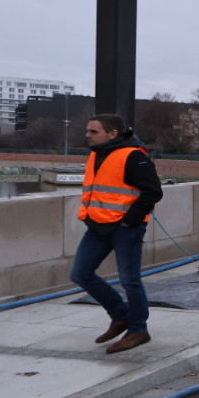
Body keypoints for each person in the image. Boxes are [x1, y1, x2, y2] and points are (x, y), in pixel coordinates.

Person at [70, 114, 163, 354]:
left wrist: (129, 221)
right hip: (97, 226)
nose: (87, 135)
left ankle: (138, 330)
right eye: (88, 130)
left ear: (113, 134)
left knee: (129, 280)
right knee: (80, 274)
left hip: (125, 228)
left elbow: (153, 191)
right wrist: (90, 217)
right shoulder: (96, 154)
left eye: (94, 131)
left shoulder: (133, 155)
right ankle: (120, 315)